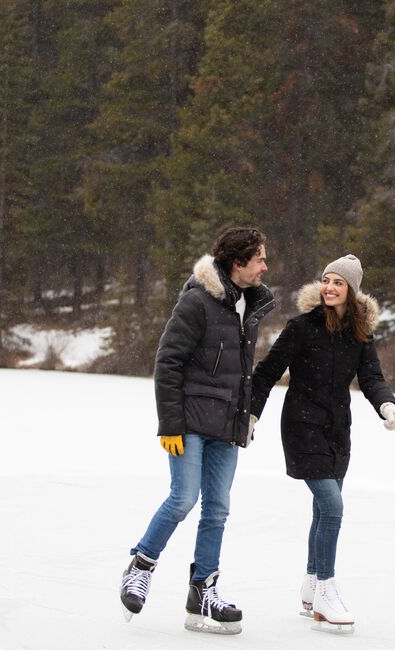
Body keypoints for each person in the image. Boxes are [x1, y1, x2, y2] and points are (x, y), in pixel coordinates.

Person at [119, 227, 274, 635]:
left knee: (218, 509)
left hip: (227, 426)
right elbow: (167, 362)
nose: (265, 266)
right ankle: (141, 564)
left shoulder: (247, 307)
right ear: (238, 263)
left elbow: (241, 376)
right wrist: (170, 424)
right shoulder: (197, 302)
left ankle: (203, 589)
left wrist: (245, 420)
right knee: (183, 499)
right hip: (189, 423)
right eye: (259, 258)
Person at [250, 254, 395, 633]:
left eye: (338, 282)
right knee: (333, 506)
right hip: (302, 427)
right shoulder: (302, 327)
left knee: (323, 509)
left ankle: (309, 585)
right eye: (326, 280)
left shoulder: (360, 335)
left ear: (351, 290)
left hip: (338, 430)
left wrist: (387, 404)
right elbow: (267, 372)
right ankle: (326, 589)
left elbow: (371, 377)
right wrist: (250, 414)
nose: (330, 287)